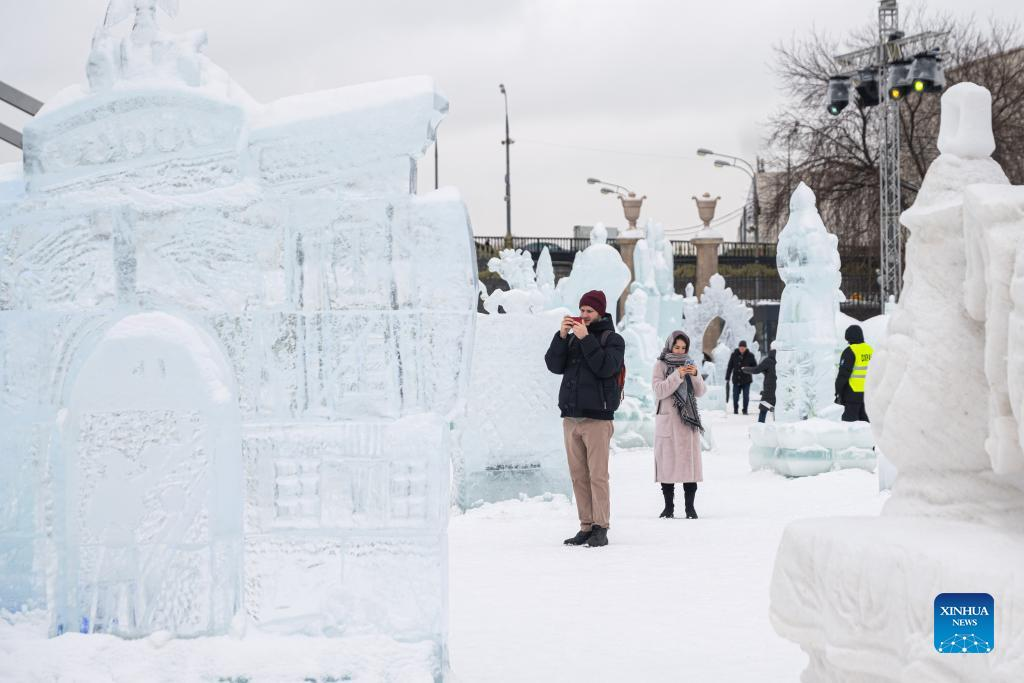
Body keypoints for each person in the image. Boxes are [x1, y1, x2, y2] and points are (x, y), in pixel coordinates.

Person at [544, 289, 625, 548]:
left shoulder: (613, 339)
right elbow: (553, 366)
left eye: (589, 310)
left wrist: (587, 339)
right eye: (582, 310)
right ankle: (586, 526)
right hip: (571, 418)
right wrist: (561, 336)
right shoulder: (572, 338)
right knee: (578, 476)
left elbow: (606, 367)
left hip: (597, 419)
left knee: (597, 475)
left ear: (600, 312)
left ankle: (601, 527)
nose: (584, 314)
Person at [652, 331, 706, 519]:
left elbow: (700, 391)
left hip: (687, 421)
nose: (680, 351)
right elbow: (659, 391)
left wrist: (695, 374)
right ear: (670, 346)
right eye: (677, 347)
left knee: (688, 467)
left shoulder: (690, 363)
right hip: (668, 421)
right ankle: (668, 508)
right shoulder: (660, 365)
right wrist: (677, 375)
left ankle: (690, 508)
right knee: (667, 465)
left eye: (683, 348)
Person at [835, 324, 872, 422]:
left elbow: (843, 375)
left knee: (850, 425)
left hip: (852, 394)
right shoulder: (870, 350)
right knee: (866, 424)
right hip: (868, 394)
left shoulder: (850, 351)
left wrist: (838, 391)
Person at [742, 347, 776, 423]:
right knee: (777, 409)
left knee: (763, 408)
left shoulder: (768, 361)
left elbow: (756, 370)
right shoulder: (783, 360)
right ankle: (777, 426)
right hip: (780, 389)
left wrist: (745, 369)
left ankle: (760, 426)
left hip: (769, 389)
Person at [725, 340, 757, 415]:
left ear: (745, 348)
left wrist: (748, 369)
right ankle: (735, 409)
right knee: (735, 396)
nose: (742, 348)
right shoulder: (734, 355)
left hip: (746, 380)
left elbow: (755, 366)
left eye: (743, 347)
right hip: (736, 379)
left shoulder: (750, 355)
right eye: (740, 347)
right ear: (739, 347)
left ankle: (745, 410)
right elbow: (730, 366)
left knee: (746, 396)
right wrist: (727, 377)